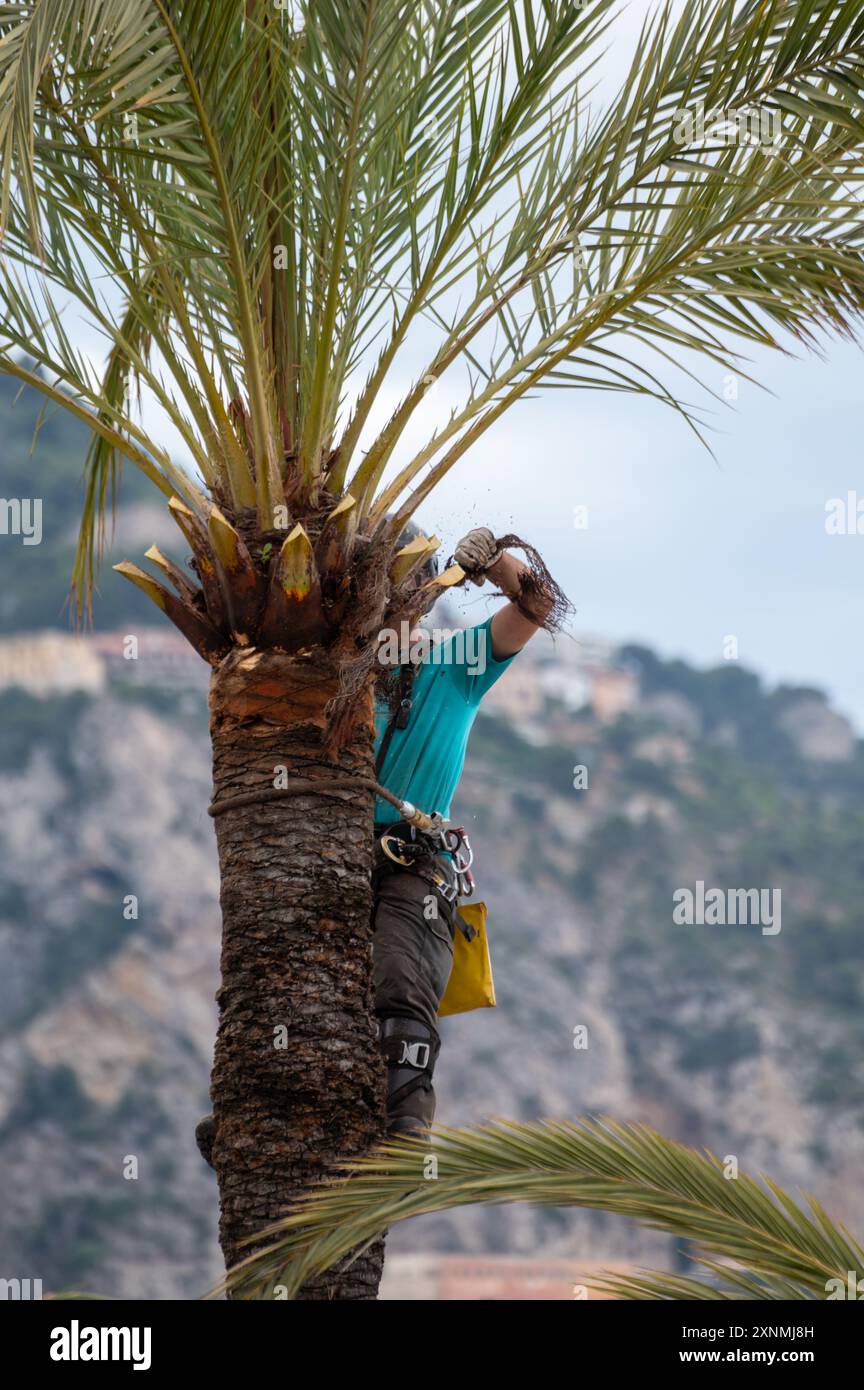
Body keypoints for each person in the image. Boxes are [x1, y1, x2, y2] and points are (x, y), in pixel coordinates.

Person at [372, 526, 555, 1135]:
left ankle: (406, 1130)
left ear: (425, 600)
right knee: (281, 965)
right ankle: (256, 1107)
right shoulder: (333, 678)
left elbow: (538, 605)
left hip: (410, 863)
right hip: (327, 857)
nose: (398, 608)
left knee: (400, 980)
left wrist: (499, 565)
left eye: (409, 594)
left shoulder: (455, 666)